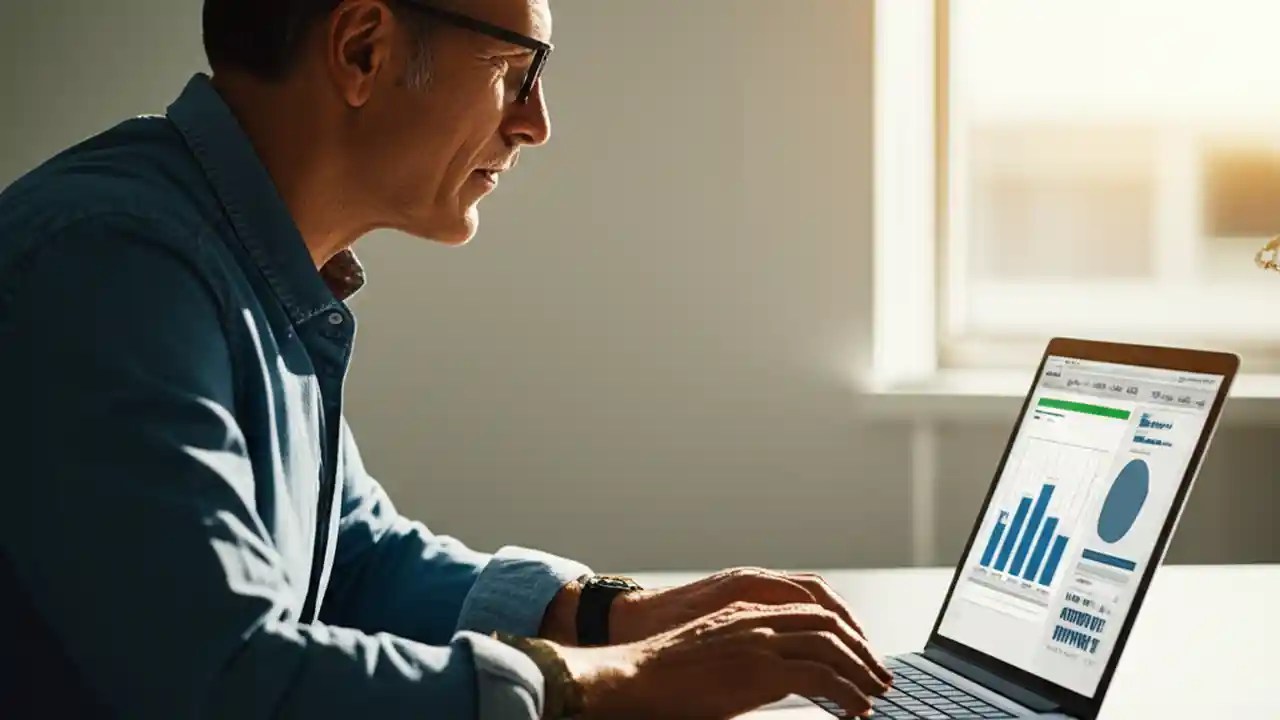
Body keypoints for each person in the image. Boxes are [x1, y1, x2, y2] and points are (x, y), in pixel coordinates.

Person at [0, 1, 892, 718]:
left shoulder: (231, 258)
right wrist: (618, 681)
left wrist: (615, 616)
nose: (536, 123)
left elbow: (349, 559)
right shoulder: (112, 266)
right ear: (362, 49)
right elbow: (221, 675)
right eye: (515, 68)